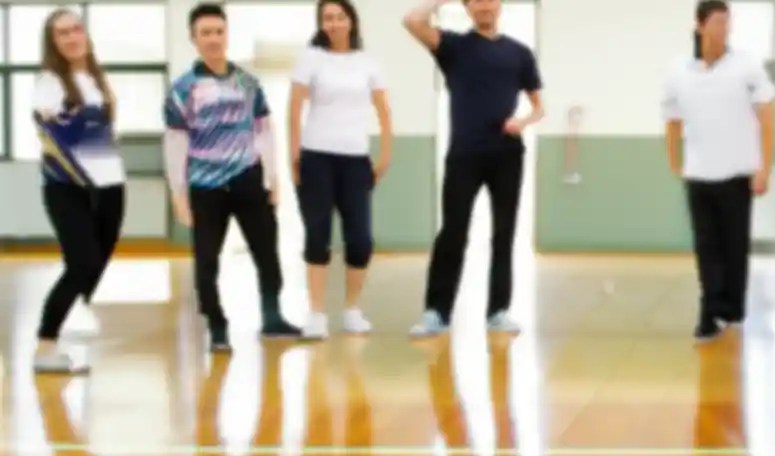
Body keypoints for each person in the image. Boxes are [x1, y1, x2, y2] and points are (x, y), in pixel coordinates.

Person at [164, 3, 302, 354]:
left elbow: (264, 130)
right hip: (205, 187)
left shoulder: (247, 82)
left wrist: (273, 177)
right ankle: (217, 324)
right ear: (193, 39)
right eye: (205, 33)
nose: (213, 39)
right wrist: (178, 194)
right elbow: (176, 143)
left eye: (218, 31)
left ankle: (272, 317)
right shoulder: (184, 89)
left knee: (267, 254)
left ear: (227, 35)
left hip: (248, 180)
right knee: (206, 260)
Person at [402, 0, 544, 338]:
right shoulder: (453, 47)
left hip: (507, 154)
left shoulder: (519, 53)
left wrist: (521, 121)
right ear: (467, 7)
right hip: (464, 155)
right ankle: (437, 312)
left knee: (504, 232)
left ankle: (498, 311)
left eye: (489, 0)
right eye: (475, 0)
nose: (484, 6)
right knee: (453, 231)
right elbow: (411, 20)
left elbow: (539, 107)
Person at [663, 0, 775, 341]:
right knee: (706, 247)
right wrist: (675, 163)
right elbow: (671, 119)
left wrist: (764, 168)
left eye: (727, 23)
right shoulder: (680, 70)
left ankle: (731, 309)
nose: (723, 29)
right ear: (699, 26)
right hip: (698, 175)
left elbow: (768, 117)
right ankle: (709, 312)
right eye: (717, 22)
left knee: (733, 246)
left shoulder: (747, 65)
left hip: (737, 174)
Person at [290, 0, 393, 340]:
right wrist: (294, 156)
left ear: (351, 21)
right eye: (327, 18)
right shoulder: (311, 58)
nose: (333, 24)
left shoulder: (368, 62)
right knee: (317, 235)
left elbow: (383, 110)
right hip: (317, 157)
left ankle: (351, 310)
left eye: (339, 17)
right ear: (321, 24)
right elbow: (294, 107)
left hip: (355, 160)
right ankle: (317, 312)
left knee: (360, 239)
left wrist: (385, 154)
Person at [31, 8, 125, 374]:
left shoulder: (95, 78)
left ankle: (78, 311)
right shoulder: (50, 82)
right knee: (82, 262)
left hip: (110, 185)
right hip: (67, 187)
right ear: (53, 42)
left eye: (76, 30)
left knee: (97, 259)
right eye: (62, 33)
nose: (72, 37)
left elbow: (103, 133)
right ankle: (45, 345)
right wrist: (82, 173)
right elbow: (50, 133)